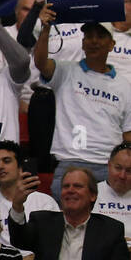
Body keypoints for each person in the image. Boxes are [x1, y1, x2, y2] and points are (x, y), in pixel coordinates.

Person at [8, 167, 131, 260]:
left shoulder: (111, 230)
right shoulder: (43, 222)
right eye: (66, 186)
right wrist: (17, 206)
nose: (70, 190)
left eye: (77, 186)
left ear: (93, 195)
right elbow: (19, 240)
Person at [34, 20, 131, 198]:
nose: (94, 41)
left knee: (106, 225)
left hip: (109, 167)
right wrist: (46, 28)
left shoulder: (125, 86)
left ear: (112, 45)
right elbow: (40, 62)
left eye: (100, 36)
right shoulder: (65, 70)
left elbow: (128, 135)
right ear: (82, 43)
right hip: (70, 163)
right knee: (63, 225)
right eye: (89, 37)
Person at [96, 142, 131, 245]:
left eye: (129, 171)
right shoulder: (91, 193)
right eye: (118, 168)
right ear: (109, 165)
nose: (122, 176)